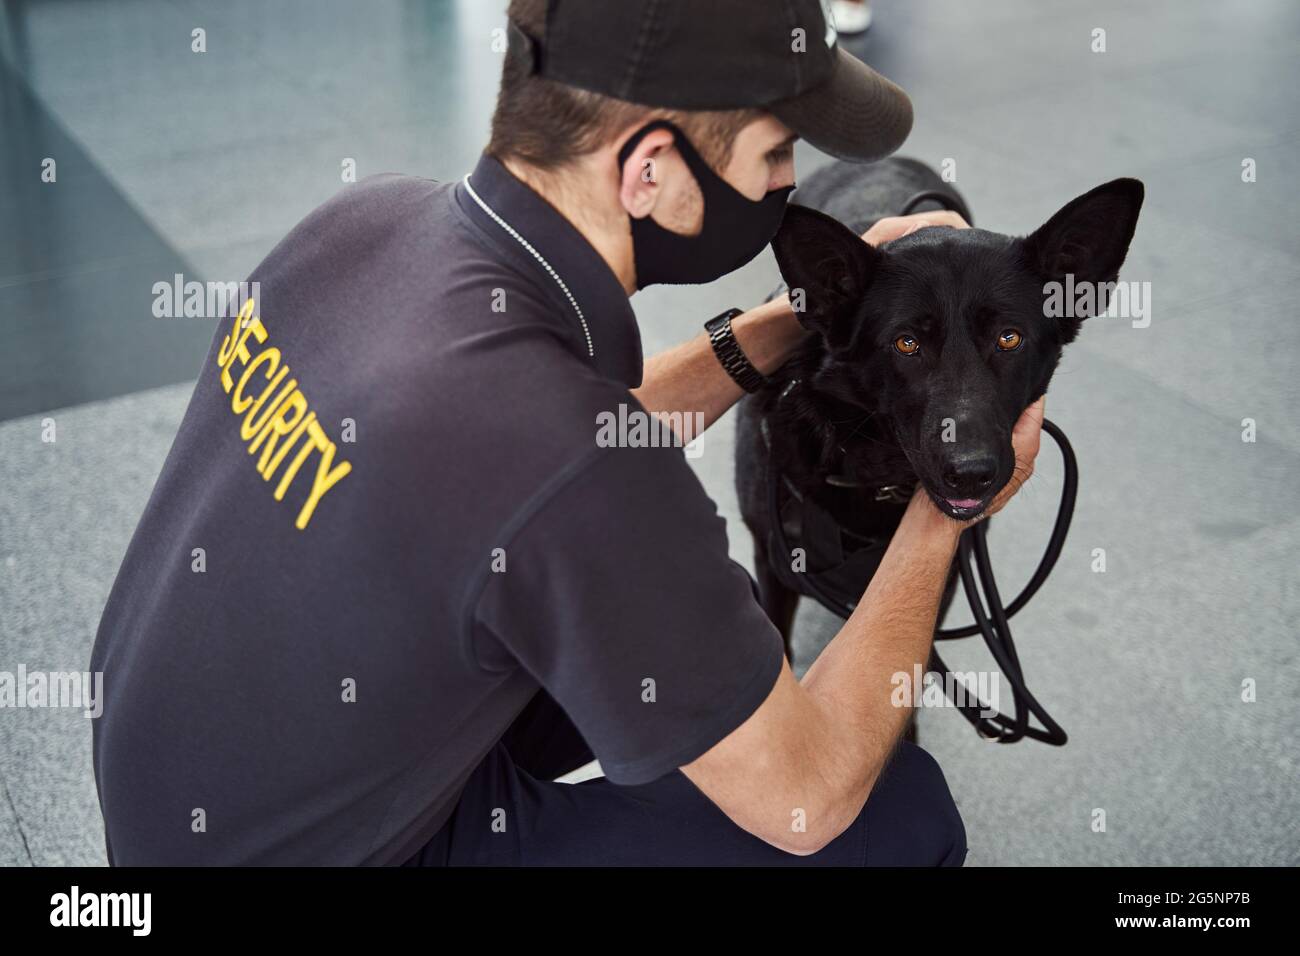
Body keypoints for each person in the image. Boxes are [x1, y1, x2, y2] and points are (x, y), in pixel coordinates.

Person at [90, 0, 1042, 866]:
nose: (790, 184)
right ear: (651, 170)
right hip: (352, 852)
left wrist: (794, 319)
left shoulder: (364, 218)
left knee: (700, 625)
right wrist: (946, 510)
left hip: (184, 798)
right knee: (896, 810)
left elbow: (536, 469)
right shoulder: (566, 458)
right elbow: (811, 794)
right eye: (775, 154)